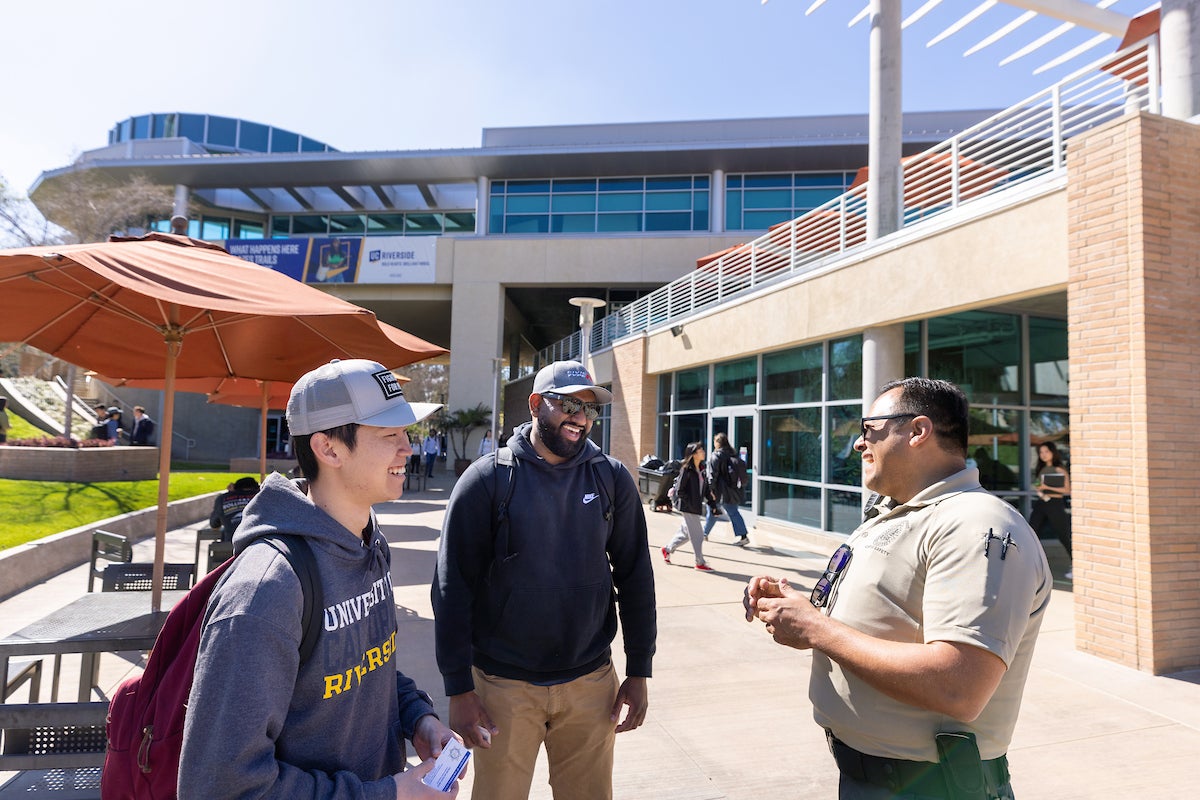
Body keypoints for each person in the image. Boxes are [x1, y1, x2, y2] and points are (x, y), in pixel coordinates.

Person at [745, 377, 1051, 800]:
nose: (858, 444)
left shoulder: (976, 524)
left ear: (918, 431)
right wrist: (796, 610)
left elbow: (959, 686)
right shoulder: (901, 512)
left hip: (930, 787)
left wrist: (817, 630)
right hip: (873, 777)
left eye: (869, 429)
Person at [179, 358, 460, 799]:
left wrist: (416, 717)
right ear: (329, 449)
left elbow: (366, 666)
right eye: (389, 435)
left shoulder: (368, 542)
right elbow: (219, 785)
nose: (408, 448)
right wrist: (387, 795)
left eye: (405, 433)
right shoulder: (264, 593)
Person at [432, 359, 656, 800]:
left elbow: (635, 577)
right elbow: (450, 588)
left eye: (589, 409)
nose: (580, 418)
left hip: (591, 684)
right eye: (568, 405)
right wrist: (458, 687)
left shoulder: (611, 478)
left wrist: (639, 668)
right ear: (535, 405)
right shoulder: (488, 480)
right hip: (503, 688)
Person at [661, 441, 718, 571]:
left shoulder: (702, 469)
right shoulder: (686, 469)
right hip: (688, 508)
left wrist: (713, 504)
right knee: (698, 535)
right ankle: (700, 562)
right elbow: (680, 490)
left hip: (695, 507)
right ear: (693, 454)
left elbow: (706, 490)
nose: (703, 452)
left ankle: (667, 549)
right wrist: (690, 504)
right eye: (700, 451)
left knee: (686, 533)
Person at [1028, 440, 1072, 580]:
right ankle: (1028, 565)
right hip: (1042, 503)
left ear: (1053, 452)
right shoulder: (1041, 469)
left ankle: (1076, 565)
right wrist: (1039, 489)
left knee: (1064, 535)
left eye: (1046, 451)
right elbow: (1039, 486)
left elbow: (1067, 490)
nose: (1043, 455)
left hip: (1055, 503)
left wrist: (1048, 487)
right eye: (1041, 452)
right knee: (1031, 533)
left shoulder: (1060, 469)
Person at [701, 432, 751, 546]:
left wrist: (710, 489)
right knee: (733, 512)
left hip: (719, 490)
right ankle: (743, 536)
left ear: (718, 443)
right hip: (731, 490)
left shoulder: (716, 455)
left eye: (715, 441)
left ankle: (704, 533)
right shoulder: (733, 454)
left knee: (712, 511)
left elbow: (712, 474)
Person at [208, 476, 261, 542]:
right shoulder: (261, 497)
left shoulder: (222, 499)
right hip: (259, 546)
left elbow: (214, 525)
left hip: (230, 547)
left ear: (234, 488)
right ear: (257, 488)